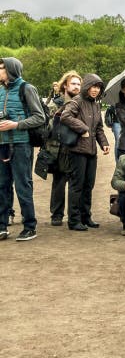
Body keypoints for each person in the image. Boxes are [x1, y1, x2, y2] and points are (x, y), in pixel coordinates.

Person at [0, 57, 46, 241]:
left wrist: (15, 124)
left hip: (21, 144)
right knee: (2, 186)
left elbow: (39, 117)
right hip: (2, 144)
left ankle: (29, 226)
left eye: (2, 68)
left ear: (11, 70)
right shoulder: (1, 90)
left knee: (23, 185)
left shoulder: (26, 88)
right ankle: (2, 226)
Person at [60, 73, 111, 231]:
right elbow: (65, 116)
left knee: (89, 185)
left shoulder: (96, 104)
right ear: (87, 86)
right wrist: (83, 128)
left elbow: (99, 128)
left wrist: (104, 143)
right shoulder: (77, 101)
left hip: (91, 151)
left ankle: (86, 217)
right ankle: (74, 220)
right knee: (77, 186)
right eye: (93, 86)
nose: (95, 90)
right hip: (77, 150)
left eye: (98, 87)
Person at [46, 71, 82, 226]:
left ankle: (76, 215)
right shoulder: (57, 103)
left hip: (78, 146)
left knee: (77, 183)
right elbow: (48, 126)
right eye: (73, 84)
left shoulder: (83, 102)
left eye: (79, 84)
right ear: (65, 85)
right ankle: (57, 214)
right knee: (59, 182)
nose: (76, 87)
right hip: (59, 147)